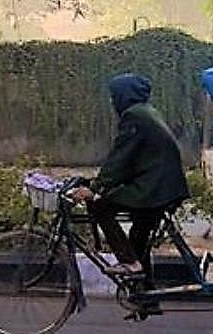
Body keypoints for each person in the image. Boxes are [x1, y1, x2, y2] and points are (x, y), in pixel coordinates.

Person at [71, 74, 189, 276]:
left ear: (124, 95)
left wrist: (95, 188)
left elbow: (121, 157)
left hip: (154, 189)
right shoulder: (147, 112)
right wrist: (98, 182)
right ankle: (146, 302)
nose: (111, 101)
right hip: (163, 187)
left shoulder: (133, 116)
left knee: (100, 206)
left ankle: (128, 262)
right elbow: (135, 159)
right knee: (139, 245)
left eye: (114, 96)